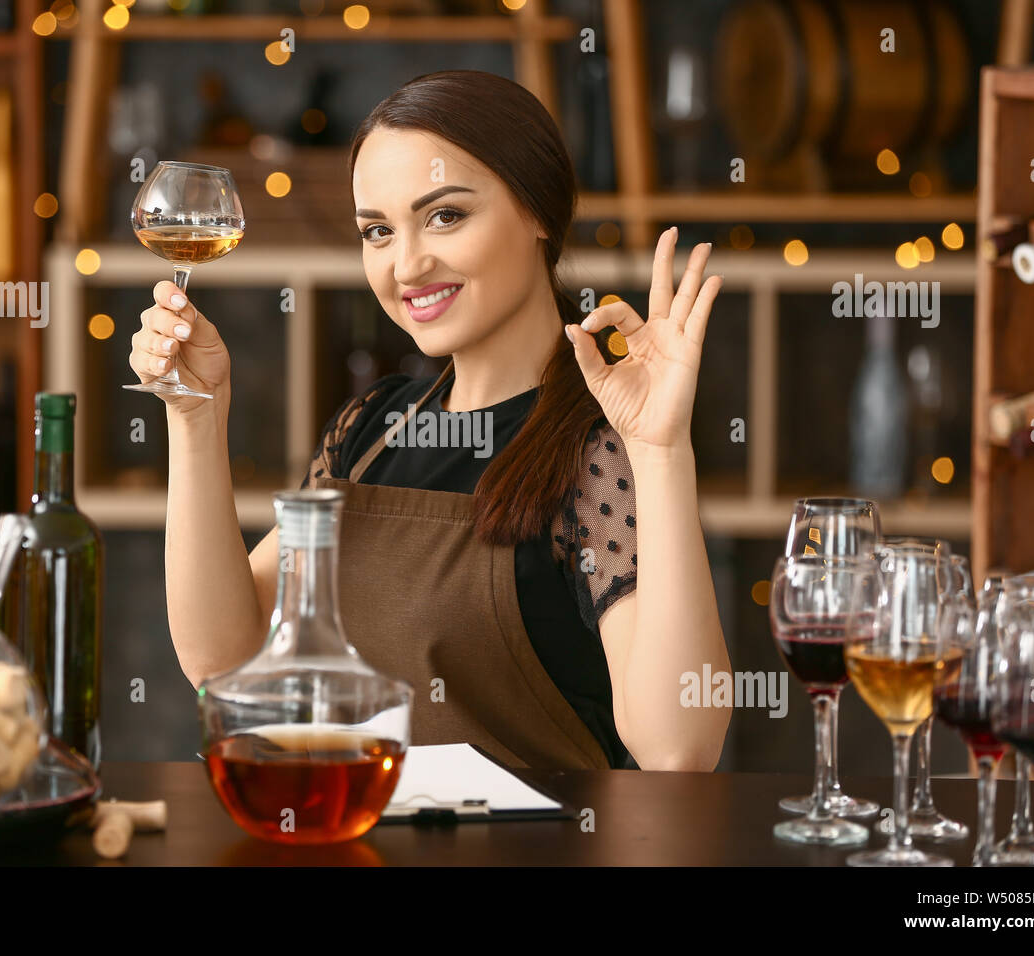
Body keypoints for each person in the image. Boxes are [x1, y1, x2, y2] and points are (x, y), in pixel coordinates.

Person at [128, 69, 731, 771]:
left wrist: (659, 451)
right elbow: (223, 660)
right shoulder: (371, 427)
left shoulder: (603, 445)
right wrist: (195, 417)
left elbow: (678, 749)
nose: (406, 265)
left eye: (445, 215)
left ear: (538, 211)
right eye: (378, 230)